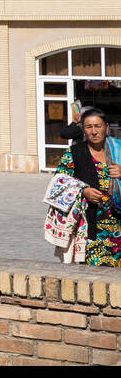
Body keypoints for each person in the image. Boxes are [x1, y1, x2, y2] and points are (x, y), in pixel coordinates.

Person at [53, 107, 121, 266]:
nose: (94, 131)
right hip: (91, 230)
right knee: (94, 278)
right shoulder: (74, 153)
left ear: (106, 127)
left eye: (98, 126)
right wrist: (83, 191)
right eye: (89, 127)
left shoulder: (119, 149)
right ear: (83, 130)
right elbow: (58, 183)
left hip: (118, 227)